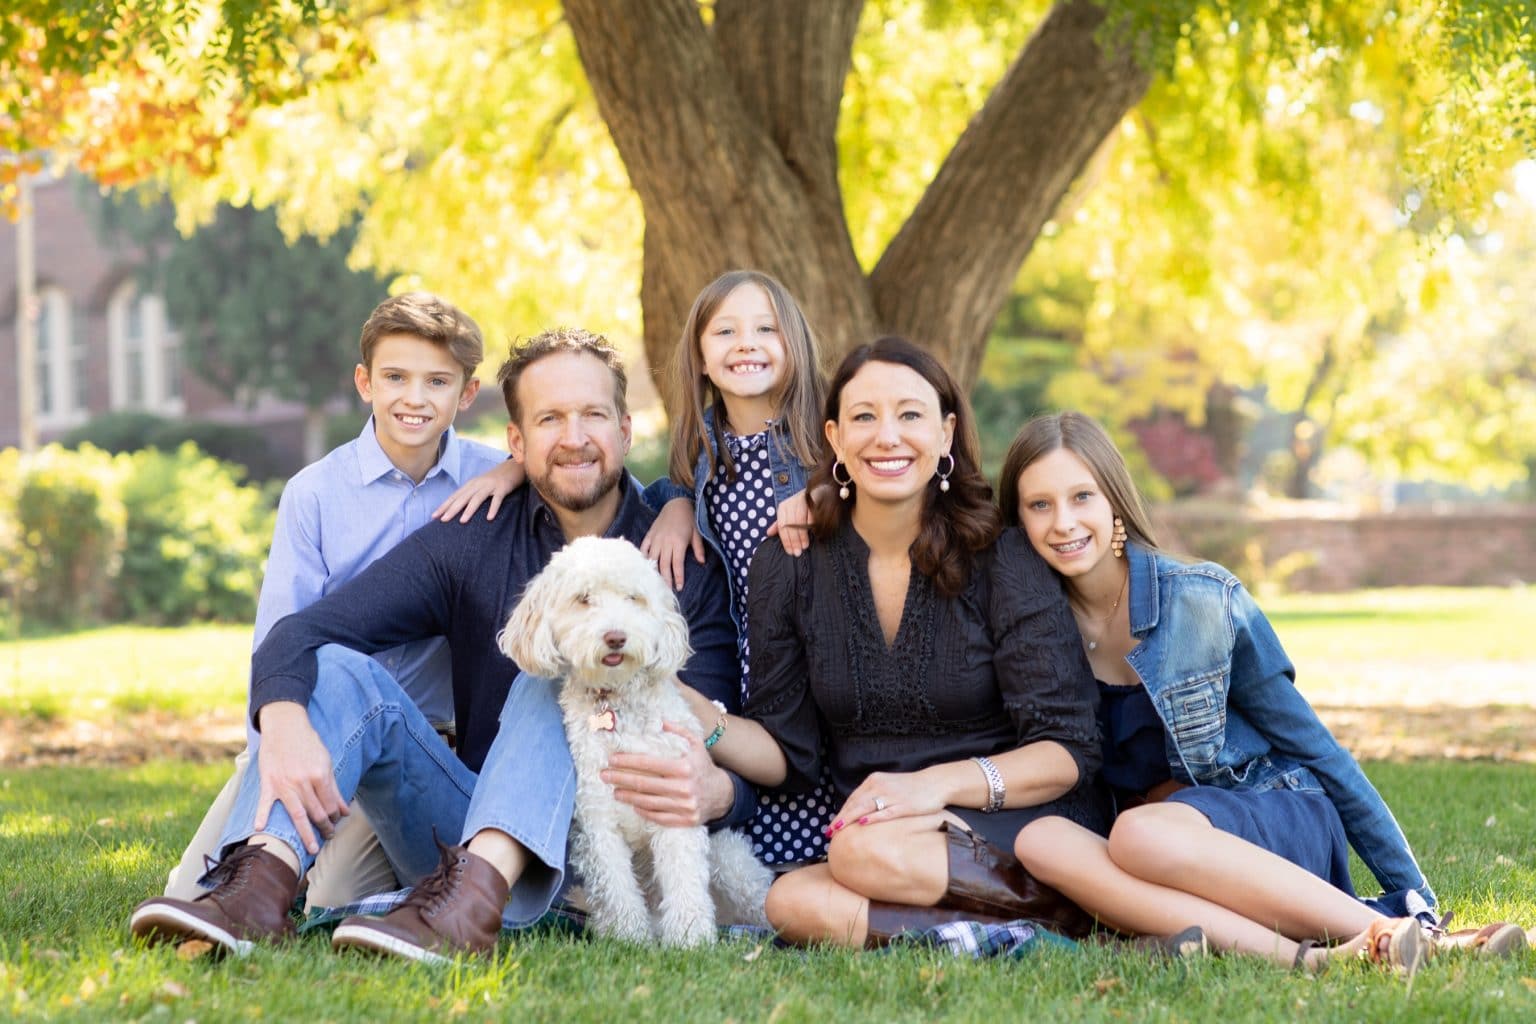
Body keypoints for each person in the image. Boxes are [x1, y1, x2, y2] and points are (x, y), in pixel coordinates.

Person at [130, 328, 752, 962]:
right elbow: (305, 632)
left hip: (624, 848)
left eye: (592, 415)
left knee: (550, 673)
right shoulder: (473, 534)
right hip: (475, 837)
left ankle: (464, 909)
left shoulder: (678, 556)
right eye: (549, 419)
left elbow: (736, 743)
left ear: (624, 427)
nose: (573, 438)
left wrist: (724, 792)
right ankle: (255, 893)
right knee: (350, 670)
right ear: (517, 441)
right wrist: (283, 718)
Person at [678, 336, 1107, 948]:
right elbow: (788, 758)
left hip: (1018, 815)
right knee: (790, 899)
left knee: (856, 857)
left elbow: (1068, 750)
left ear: (946, 432)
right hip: (886, 840)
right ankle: (1031, 926)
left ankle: (1060, 903)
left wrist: (934, 786)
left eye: (910, 414)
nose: (887, 436)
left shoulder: (1002, 554)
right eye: (864, 417)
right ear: (833, 438)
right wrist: (702, 717)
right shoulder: (789, 563)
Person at [1000, 411, 1445, 973]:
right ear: (1017, 519)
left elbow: (1316, 749)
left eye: (1081, 496)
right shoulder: (1031, 630)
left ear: (1114, 499)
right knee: (1044, 840)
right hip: (1150, 856)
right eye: (1040, 505)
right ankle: (1303, 961)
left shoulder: (1202, 599)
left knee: (1138, 834)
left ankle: (1400, 931)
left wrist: (1413, 894)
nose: (1063, 522)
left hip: (1266, 817)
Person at [164, 292, 509, 910]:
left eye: (437, 381)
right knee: (190, 893)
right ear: (364, 382)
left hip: (421, 742)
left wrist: (516, 471)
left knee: (332, 896)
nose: (414, 398)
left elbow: (585, 475)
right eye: (395, 377)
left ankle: (322, 876)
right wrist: (270, 753)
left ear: (467, 393)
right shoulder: (315, 494)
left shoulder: (498, 479)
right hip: (313, 718)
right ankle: (266, 869)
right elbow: (280, 635)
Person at [633, 269, 837, 867]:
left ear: (793, 344)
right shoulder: (702, 454)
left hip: (817, 666)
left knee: (816, 784)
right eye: (725, 331)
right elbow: (646, 486)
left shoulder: (826, 445)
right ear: (698, 357)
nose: (745, 343)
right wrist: (672, 503)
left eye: (765, 329)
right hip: (745, 669)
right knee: (756, 825)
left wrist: (829, 493)